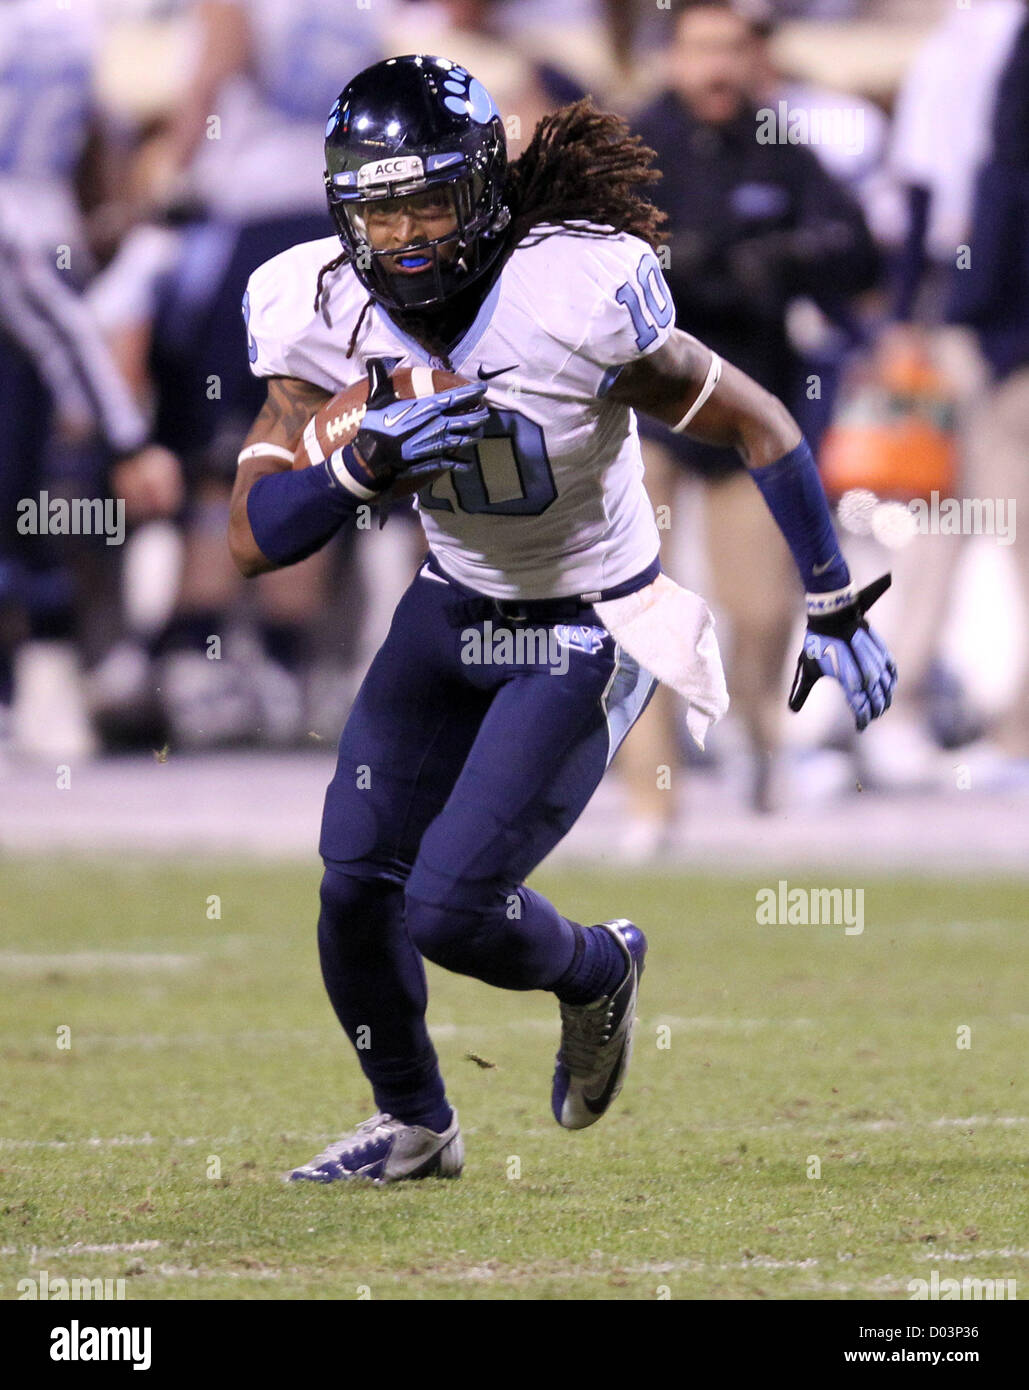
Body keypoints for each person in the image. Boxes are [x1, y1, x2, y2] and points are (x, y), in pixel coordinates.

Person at [228, 55, 896, 1184]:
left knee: (447, 906)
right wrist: (355, 472)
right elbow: (251, 537)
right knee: (352, 885)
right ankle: (418, 1125)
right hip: (450, 604)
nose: (404, 236)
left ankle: (595, 969)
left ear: (484, 189)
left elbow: (761, 425)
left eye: (428, 199)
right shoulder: (320, 305)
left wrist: (829, 594)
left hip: (585, 618)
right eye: (377, 207)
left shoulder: (573, 296)